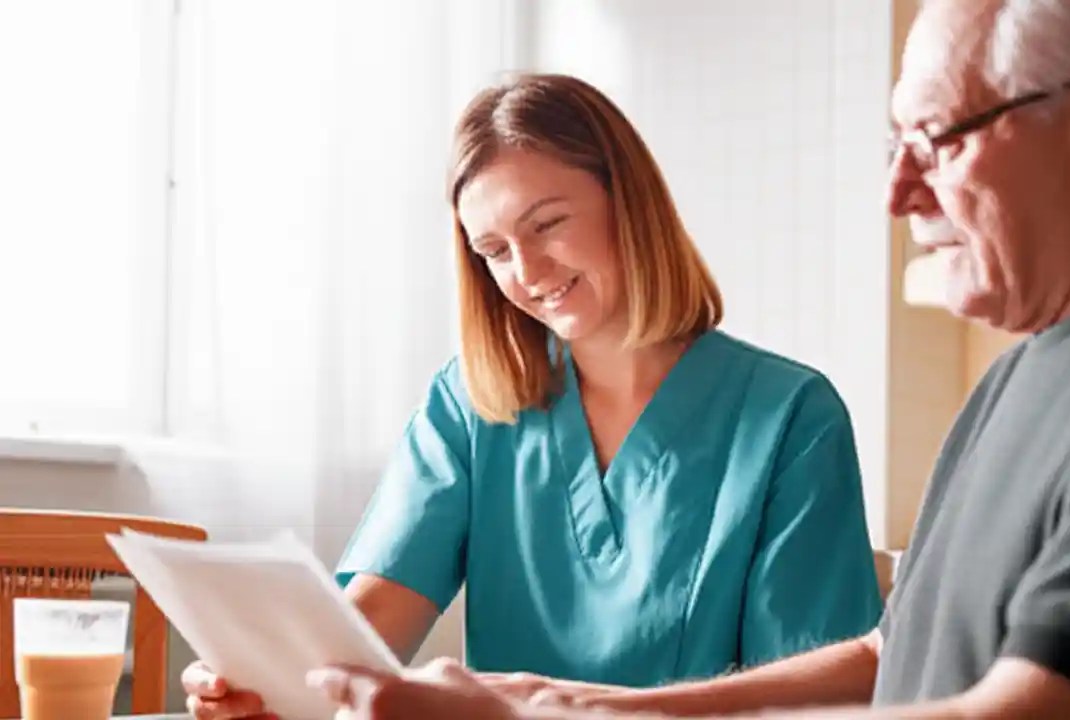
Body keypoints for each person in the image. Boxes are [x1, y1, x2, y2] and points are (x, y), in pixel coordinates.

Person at [301, 0, 1070, 717]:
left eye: (931, 140)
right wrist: (588, 704)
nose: (896, 193)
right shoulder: (1019, 376)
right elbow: (886, 654)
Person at [181, 72, 884, 719]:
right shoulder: (471, 405)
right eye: (493, 250)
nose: (528, 271)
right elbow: (369, 624)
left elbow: (813, 695)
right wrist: (265, 678)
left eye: (547, 224)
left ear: (627, 200)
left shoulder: (790, 419)